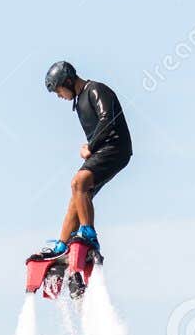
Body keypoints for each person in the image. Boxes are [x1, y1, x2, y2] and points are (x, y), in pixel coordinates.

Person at [39, 60, 132, 258]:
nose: (59, 96)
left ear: (68, 81)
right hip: (102, 150)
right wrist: (91, 146)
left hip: (115, 148)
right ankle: (62, 246)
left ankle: (88, 236)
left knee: (78, 182)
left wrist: (90, 146)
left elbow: (107, 119)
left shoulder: (96, 89)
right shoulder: (79, 101)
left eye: (59, 90)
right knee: (77, 198)